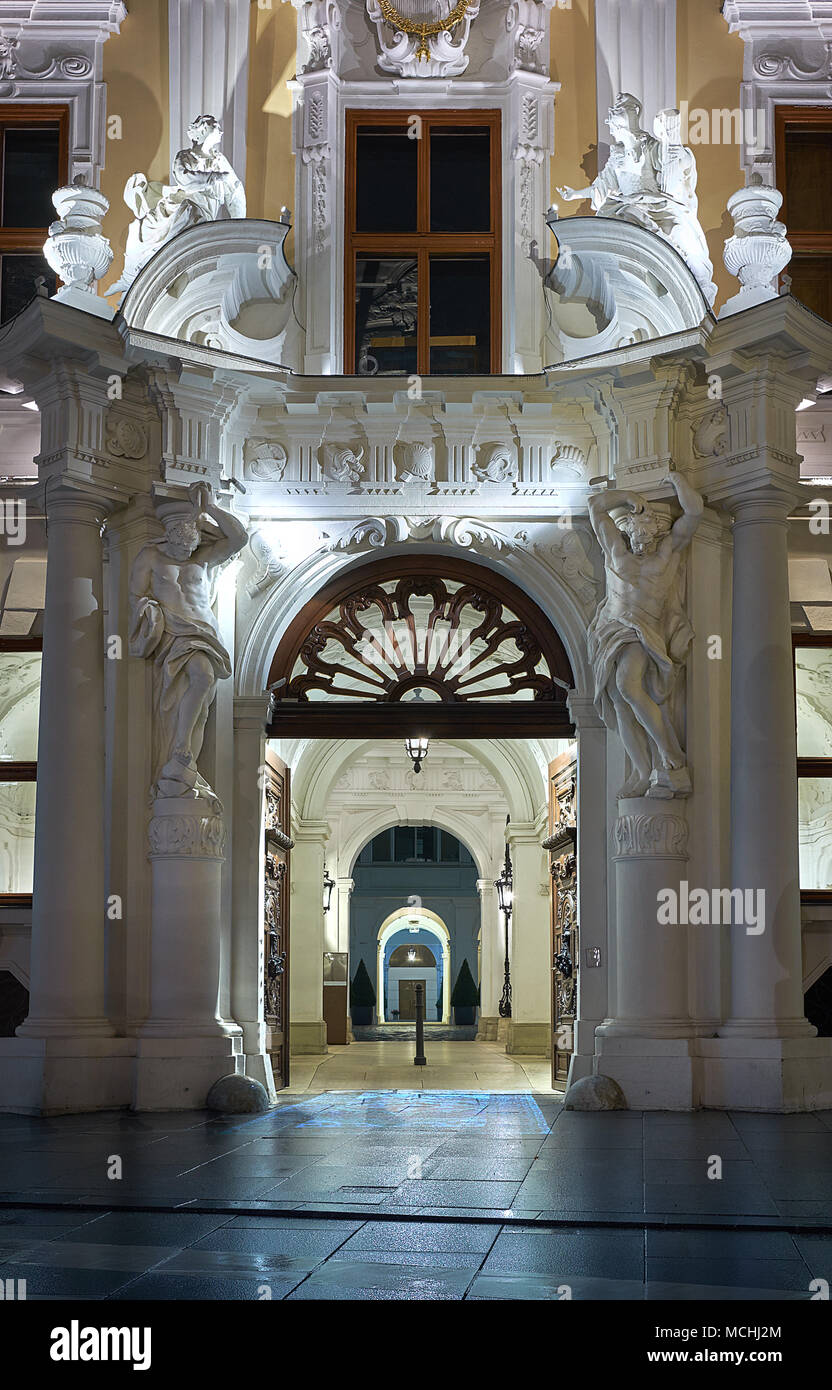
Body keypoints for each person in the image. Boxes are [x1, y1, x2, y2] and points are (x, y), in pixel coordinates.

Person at [128, 482, 248, 803]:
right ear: (169, 538)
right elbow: (136, 596)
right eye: (181, 549)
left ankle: (186, 757)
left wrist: (210, 508)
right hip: (174, 632)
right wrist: (149, 613)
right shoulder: (150, 557)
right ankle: (180, 746)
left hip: (204, 630)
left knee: (205, 697)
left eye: (191, 548)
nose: (186, 554)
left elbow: (238, 538)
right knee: (202, 678)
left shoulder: (203, 557)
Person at [587, 470, 704, 798]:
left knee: (628, 685)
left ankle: (671, 753)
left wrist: (679, 480)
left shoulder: (667, 556)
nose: (640, 544)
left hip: (642, 632)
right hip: (613, 630)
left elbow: (694, 513)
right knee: (620, 700)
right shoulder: (617, 554)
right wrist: (627, 498)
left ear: (656, 535)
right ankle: (642, 771)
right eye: (635, 538)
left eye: (645, 538)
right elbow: (595, 506)